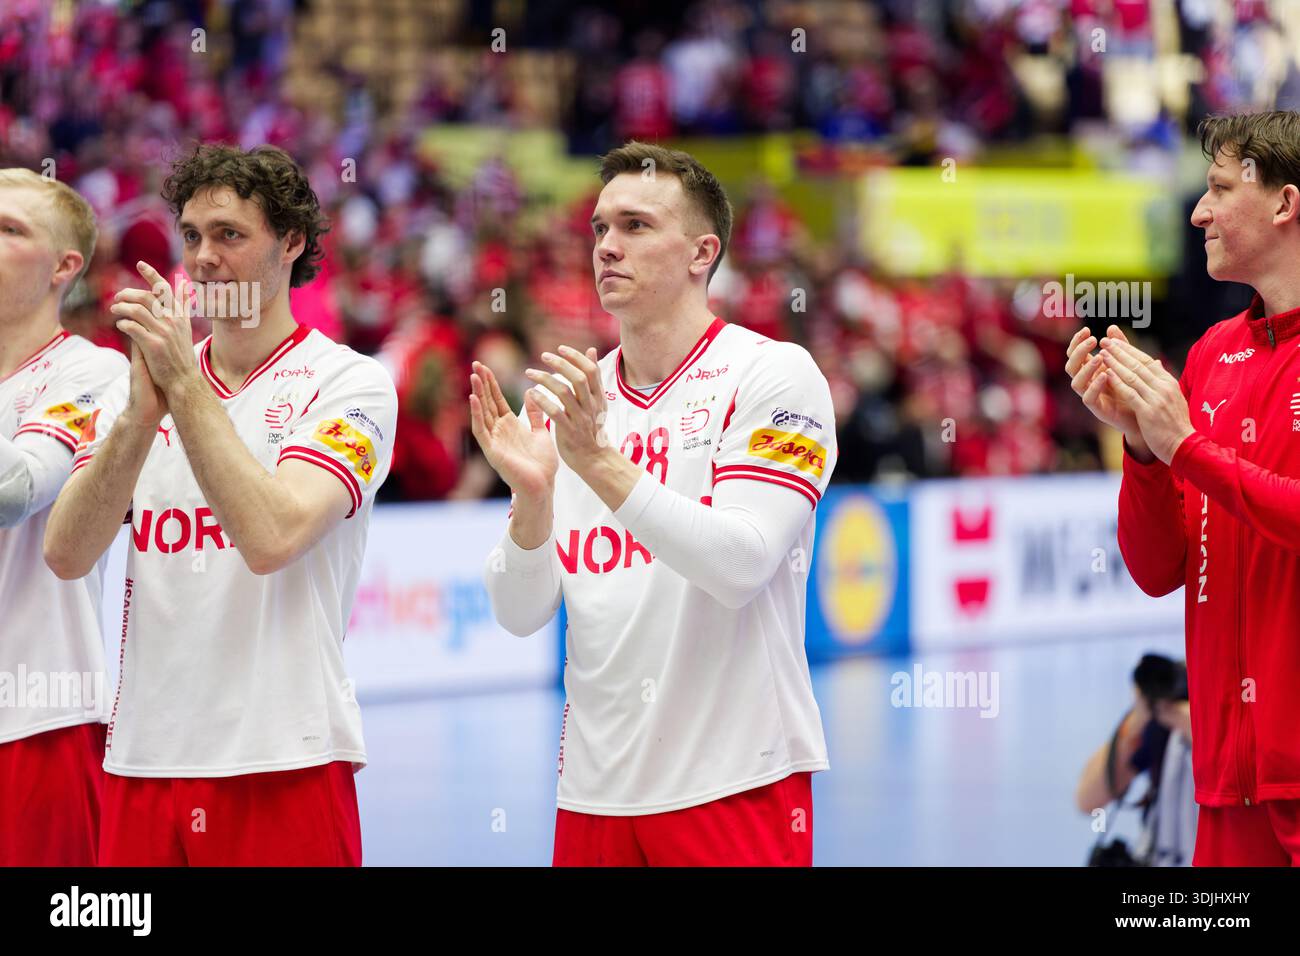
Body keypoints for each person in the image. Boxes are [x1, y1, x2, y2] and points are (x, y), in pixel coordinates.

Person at [472, 141, 835, 866]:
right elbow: (518, 616)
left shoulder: (773, 375)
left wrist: (598, 463)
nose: (607, 246)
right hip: (593, 796)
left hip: (735, 782)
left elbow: (742, 562)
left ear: (703, 253)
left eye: (636, 226)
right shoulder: (568, 405)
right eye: (600, 228)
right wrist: (534, 501)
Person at [43, 144, 397, 866]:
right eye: (194, 237)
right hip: (142, 760)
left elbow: (271, 537)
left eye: (231, 235)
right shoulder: (137, 390)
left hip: (285, 759)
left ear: (291, 243)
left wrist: (185, 388)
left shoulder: (350, 384)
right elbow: (67, 553)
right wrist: (142, 419)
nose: (205, 258)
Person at [1066, 110, 1300, 866]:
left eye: (1219, 189)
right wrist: (1142, 447)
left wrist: (1186, 448)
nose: (1198, 211)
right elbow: (1160, 570)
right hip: (1224, 782)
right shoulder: (1211, 354)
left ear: (1285, 204)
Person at [0, 168, 127, 865]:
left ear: (63, 268)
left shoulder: (92, 374)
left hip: (35, 720)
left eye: (9, 230)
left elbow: (16, 493)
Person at [1076, 654, 1197, 866]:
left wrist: (1188, 720)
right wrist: (1137, 721)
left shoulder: (1228, 712)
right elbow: (1087, 799)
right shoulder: (1160, 724)